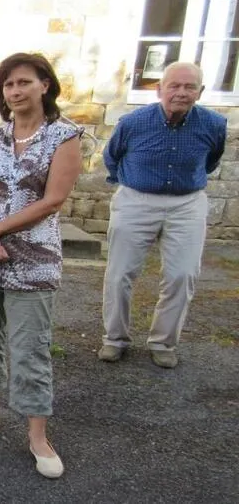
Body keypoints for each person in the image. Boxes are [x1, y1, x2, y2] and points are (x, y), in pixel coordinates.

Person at [0, 53, 83, 479]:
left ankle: (38, 436)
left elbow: (53, 200)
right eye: (8, 85)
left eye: (24, 82)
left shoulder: (64, 137)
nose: (16, 91)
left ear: (45, 85)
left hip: (33, 261)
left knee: (31, 348)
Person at [99, 62, 226, 369]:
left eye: (189, 87)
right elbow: (111, 156)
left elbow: (210, 161)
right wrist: (133, 185)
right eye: (174, 86)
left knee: (183, 274)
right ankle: (114, 339)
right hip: (135, 200)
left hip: (187, 203)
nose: (181, 93)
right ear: (159, 90)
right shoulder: (133, 122)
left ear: (201, 92)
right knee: (120, 273)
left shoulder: (213, 124)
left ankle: (163, 342)